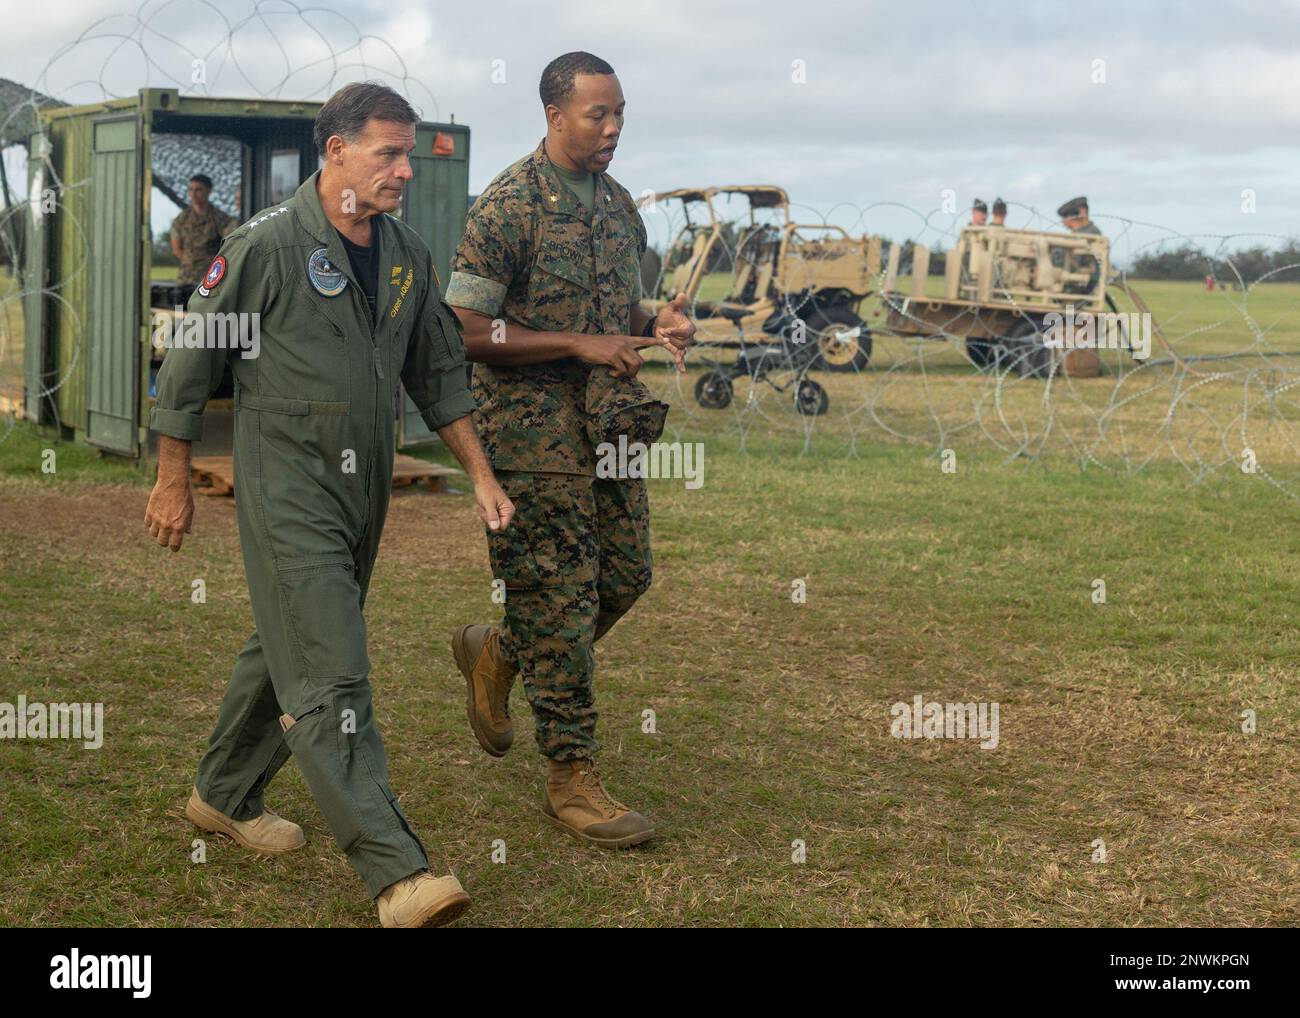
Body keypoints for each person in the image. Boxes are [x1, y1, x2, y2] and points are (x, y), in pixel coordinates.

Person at [144, 81, 514, 928]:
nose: (403, 170)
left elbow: (440, 378)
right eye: (388, 152)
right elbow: (191, 366)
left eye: (409, 154)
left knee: (293, 641)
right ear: (335, 150)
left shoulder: (408, 257)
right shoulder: (262, 247)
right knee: (333, 665)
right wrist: (172, 478)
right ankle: (397, 873)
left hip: (365, 485)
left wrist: (482, 478)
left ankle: (223, 793)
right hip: (287, 482)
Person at [443, 51, 694, 850]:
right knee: (559, 593)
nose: (613, 127)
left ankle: (502, 649)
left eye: (620, 113)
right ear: (555, 115)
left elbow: (619, 305)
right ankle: (571, 776)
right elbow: (469, 331)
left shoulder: (621, 207)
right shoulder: (508, 206)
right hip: (528, 429)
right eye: (597, 114)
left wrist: (656, 323)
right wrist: (578, 344)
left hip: (607, 425)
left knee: (626, 574)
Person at [170, 174, 236, 293]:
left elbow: (230, 247)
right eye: (191, 190)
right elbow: (176, 249)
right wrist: (191, 262)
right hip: (185, 279)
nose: (193, 194)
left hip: (210, 280)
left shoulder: (220, 218)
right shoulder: (182, 219)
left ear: (209, 191)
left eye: (198, 189)